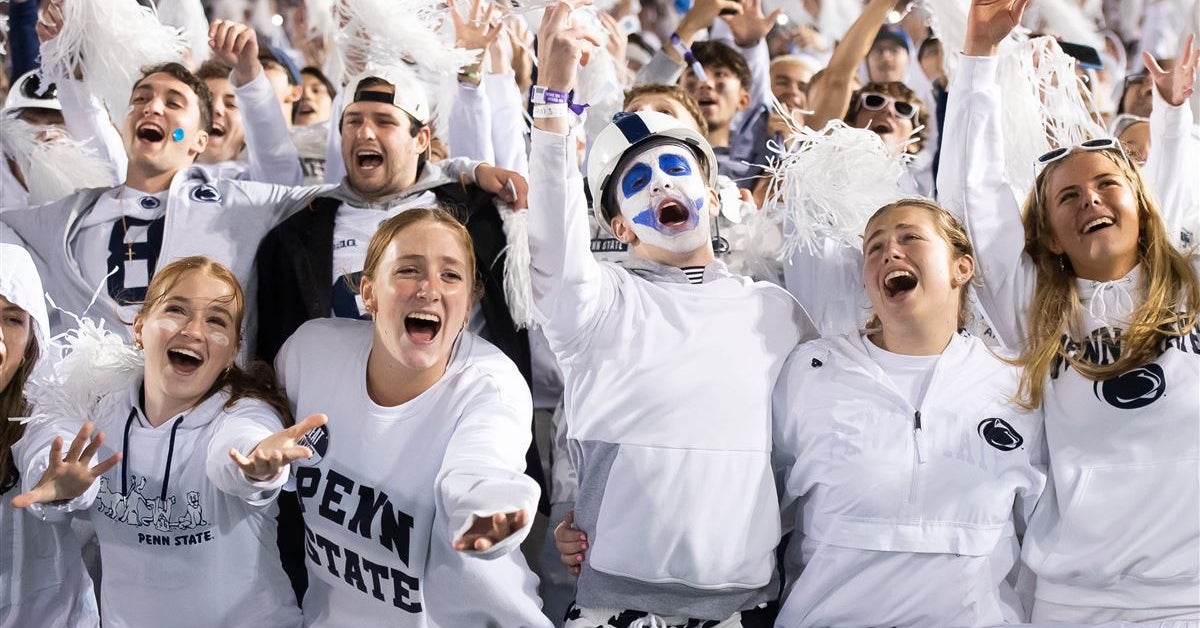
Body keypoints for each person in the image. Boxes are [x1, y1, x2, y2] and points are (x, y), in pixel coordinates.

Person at [531, 2, 814, 623]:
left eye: (674, 169)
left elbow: (811, 451)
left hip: (738, 609)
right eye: (637, 183)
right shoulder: (596, 305)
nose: (660, 185)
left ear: (712, 196)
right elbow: (550, 240)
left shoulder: (777, 313)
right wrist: (552, 101)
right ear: (618, 227)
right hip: (617, 610)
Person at [939, 0, 1200, 620]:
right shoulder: (1035, 308)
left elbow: (1184, 210)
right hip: (1072, 599)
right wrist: (977, 58)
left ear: (1141, 207)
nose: (1090, 201)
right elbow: (973, 203)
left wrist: (1174, 121)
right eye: (1069, 197)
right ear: (1051, 234)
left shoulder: (1193, 288)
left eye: (1108, 185)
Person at [771, 200, 1046, 626]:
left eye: (910, 237)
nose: (889, 252)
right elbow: (763, 507)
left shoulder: (1017, 383)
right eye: (874, 247)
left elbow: (1043, 537)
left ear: (962, 268)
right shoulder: (810, 371)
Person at [272, 208, 550, 626]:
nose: (429, 289)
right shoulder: (309, 354)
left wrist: (492, 516)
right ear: (368, 293)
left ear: (469, 301)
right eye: (408, 270)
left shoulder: (491, 384)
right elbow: (260, 429)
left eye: (450, 276)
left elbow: (482, 465)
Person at [12, 257, 307, 628]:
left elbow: (237, 449)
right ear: (140, 327)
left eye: (216, 320)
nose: (194, 330)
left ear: (233, 349)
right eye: (176, 310)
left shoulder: (243, 412)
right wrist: (62, 485)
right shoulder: (98, 407)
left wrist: (256, 467)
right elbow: (56, 441)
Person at [0, 243, 100, 627]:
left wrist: (61, 484)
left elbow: (50, 444)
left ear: (30, 339)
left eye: (12, 319)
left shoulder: (42, 410)